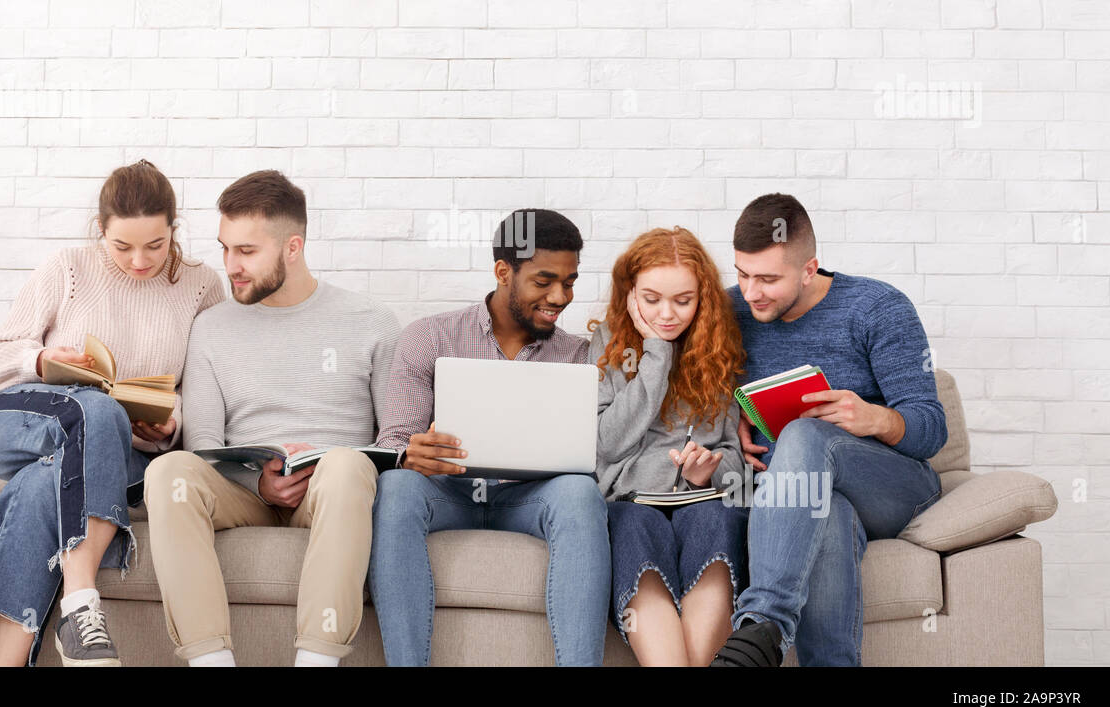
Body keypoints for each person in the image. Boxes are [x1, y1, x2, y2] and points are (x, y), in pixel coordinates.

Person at [0, 159, 225, 666]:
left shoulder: (201, 287)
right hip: (19, 421)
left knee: (42, 487)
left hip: (116, 448)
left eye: (155, 245)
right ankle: (80, 603)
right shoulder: (67, 268)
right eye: (122, 246)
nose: (139, 261)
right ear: (100, 231)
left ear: (174, 229)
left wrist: (168, 431)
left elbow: (202, 394)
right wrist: (40, 360)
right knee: (98, 409)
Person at [143, 170, 400, 667]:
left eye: (247, 251)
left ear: (293, 247)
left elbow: (394, 442)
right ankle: (210, 661)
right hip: (243, 491)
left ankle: (317, 660)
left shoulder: (370, 320)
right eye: (225, 248)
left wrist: (330, 463)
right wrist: (257, 483)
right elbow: (203, 446)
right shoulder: (212, 328)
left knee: (347, 467)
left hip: (333, 487)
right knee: (168, 472)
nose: (230, 266)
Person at [711, 193, 946, 667]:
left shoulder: (877, 307)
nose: (751, 291)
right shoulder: (729, 312)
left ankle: (762, 624)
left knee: (803, 433)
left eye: (768, 278)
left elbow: (931, 430)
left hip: (892, 484)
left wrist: (878, 419)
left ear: (809, 268)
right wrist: (725, 416)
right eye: (742, 273)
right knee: (827, 511)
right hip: (802, 494)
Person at [369, 209, 610, 666]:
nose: (560, 297)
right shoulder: (430, 337)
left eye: (570, 281)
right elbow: (391, 441)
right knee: (396, 485)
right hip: (449, 494)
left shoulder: (581, 355)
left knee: (580, 492)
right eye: (544, 281)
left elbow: (599, 452)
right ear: (503, 272)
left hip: (530, 500)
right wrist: (408, 454)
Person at [590, 226, 749, 666]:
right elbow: (607, 443)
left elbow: (735, 458)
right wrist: (657, 354)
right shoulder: (608, 342)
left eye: (683, 300)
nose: (667, 314)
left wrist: (712, 469)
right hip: (631, 499)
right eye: (652, 299)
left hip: (702, 497)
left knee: (719, 520)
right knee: (634, 528)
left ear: (703, 299)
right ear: (630, 294)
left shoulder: (719, 347)